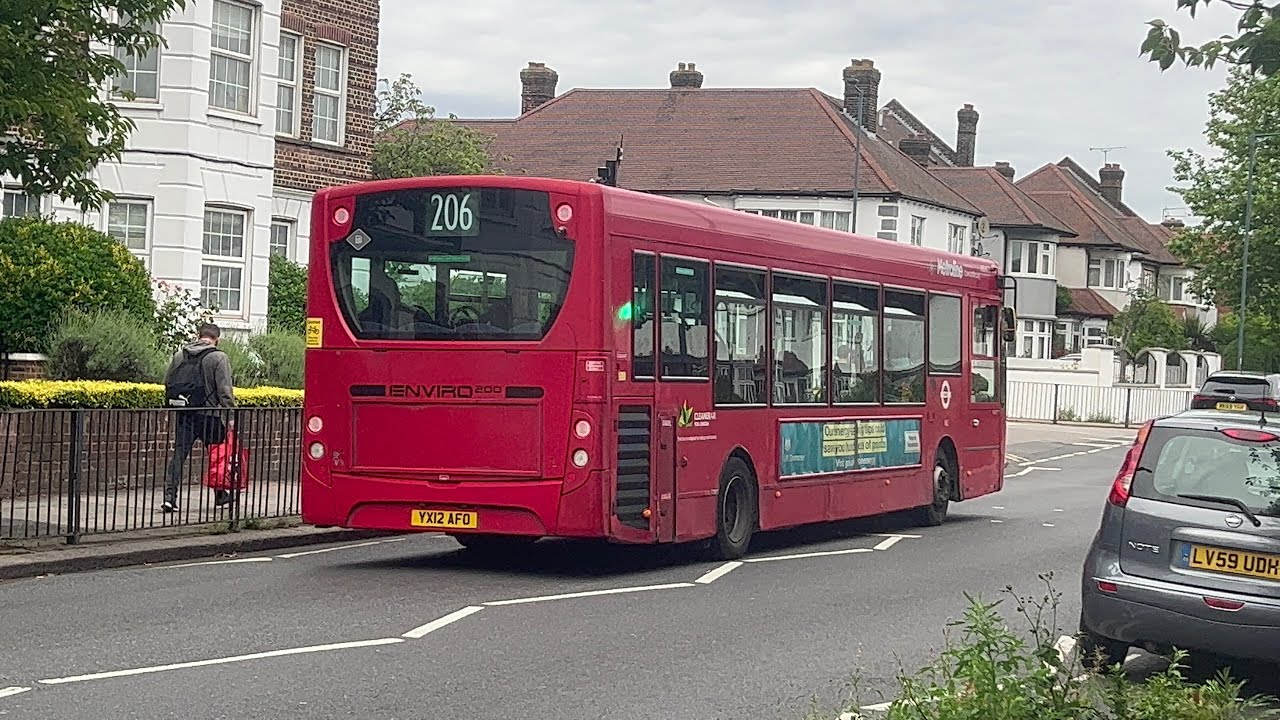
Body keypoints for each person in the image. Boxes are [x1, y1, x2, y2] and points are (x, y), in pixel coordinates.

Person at [162, 323, 236, 512]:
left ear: (198, 335)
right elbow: (225, 390)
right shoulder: (219, 357)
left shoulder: (180, 355)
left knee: (179, 455)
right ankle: (220, 493)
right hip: (210, 415)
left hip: (185, 413)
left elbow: (168, 381)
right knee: (217, 456)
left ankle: (170, 497)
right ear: (216, 339)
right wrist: (230, 414)